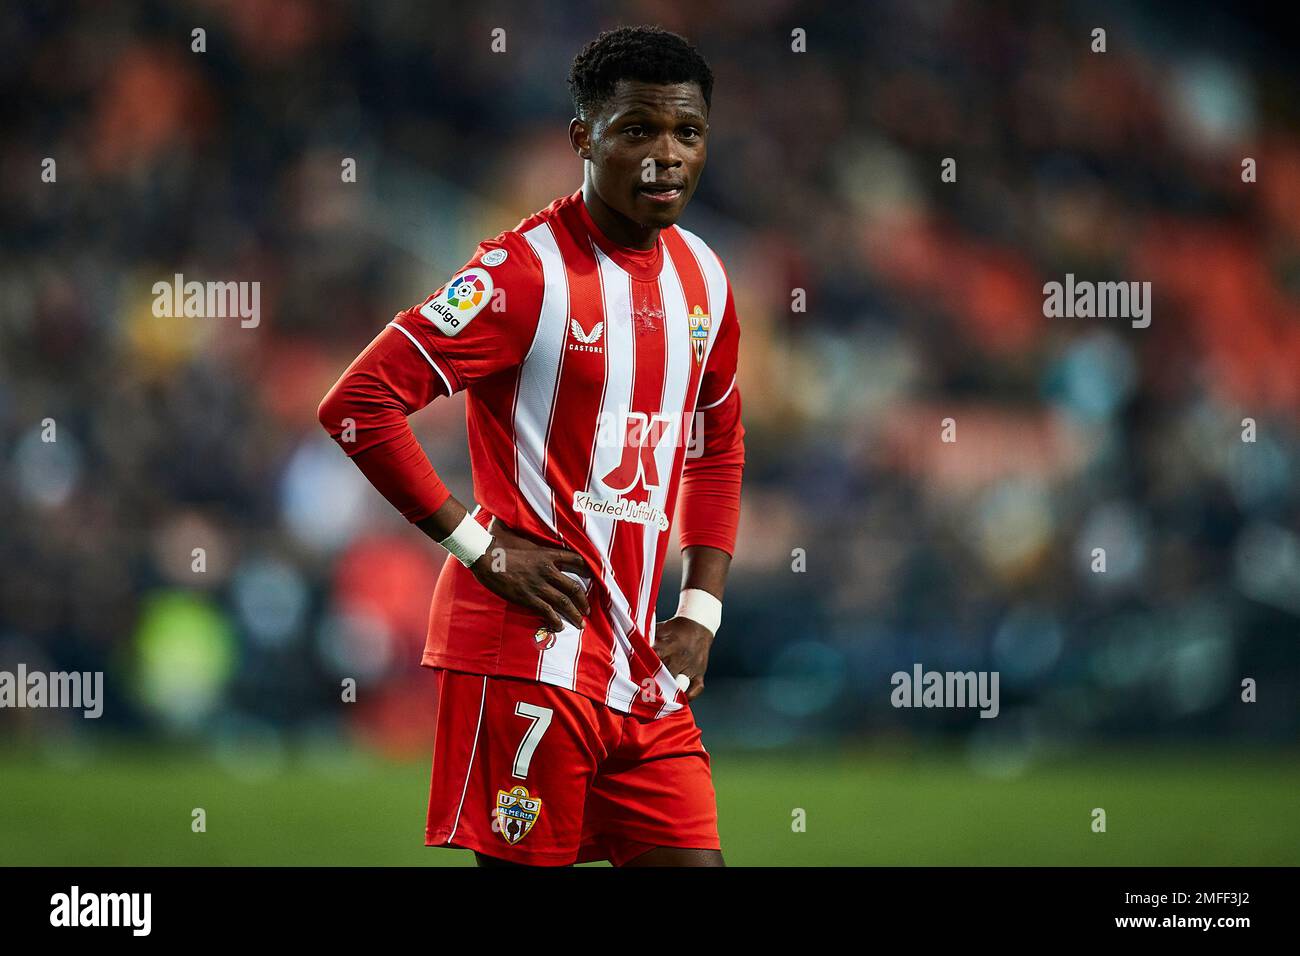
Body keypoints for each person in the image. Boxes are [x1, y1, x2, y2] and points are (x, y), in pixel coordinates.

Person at [318, 25, 744, 867]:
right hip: (523, 650)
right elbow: (359, 402)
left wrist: (700, 608)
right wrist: (477, 547)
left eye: (686, 133)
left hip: (638, 666)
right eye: (637, 131)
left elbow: (717, 439)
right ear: (583, 137)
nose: (665, 156)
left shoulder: (705, 277)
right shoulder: (522, 274)